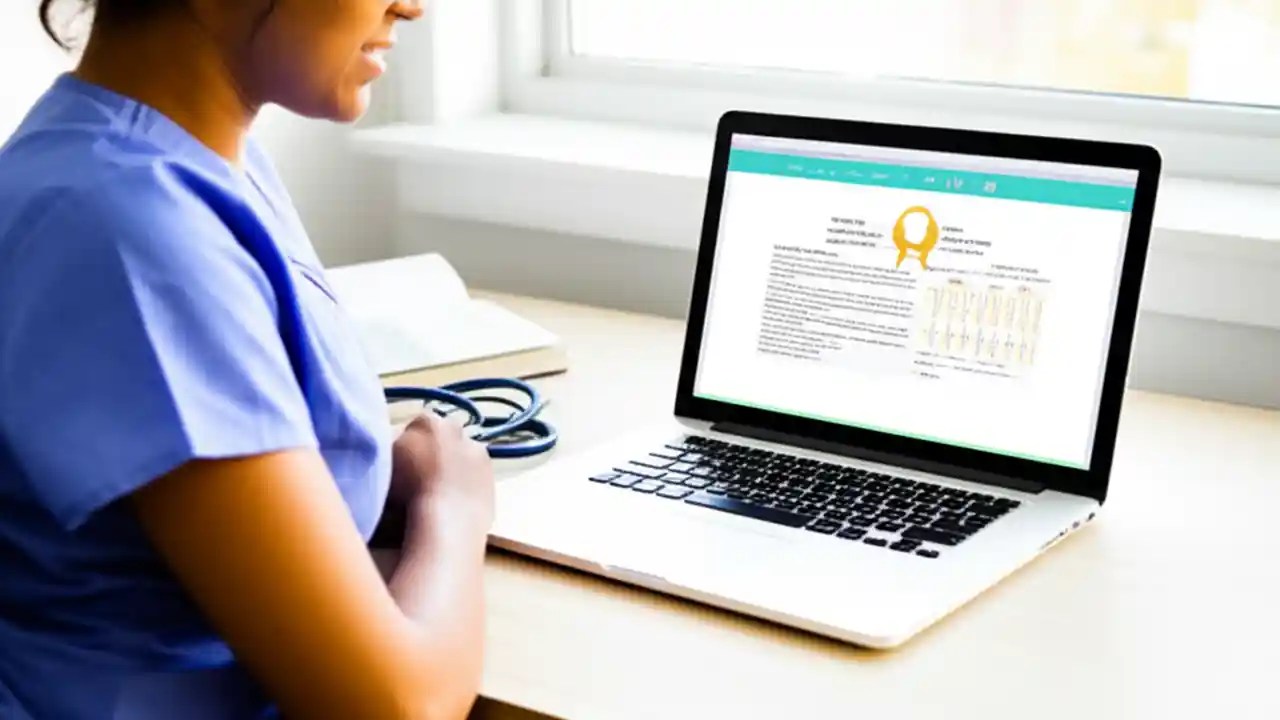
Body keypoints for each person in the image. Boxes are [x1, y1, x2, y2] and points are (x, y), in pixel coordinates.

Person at [0, 1, 498, 718]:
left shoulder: (180, 159)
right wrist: (453, 502)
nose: (411, 5)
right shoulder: (131, 226)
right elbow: (395, 708)